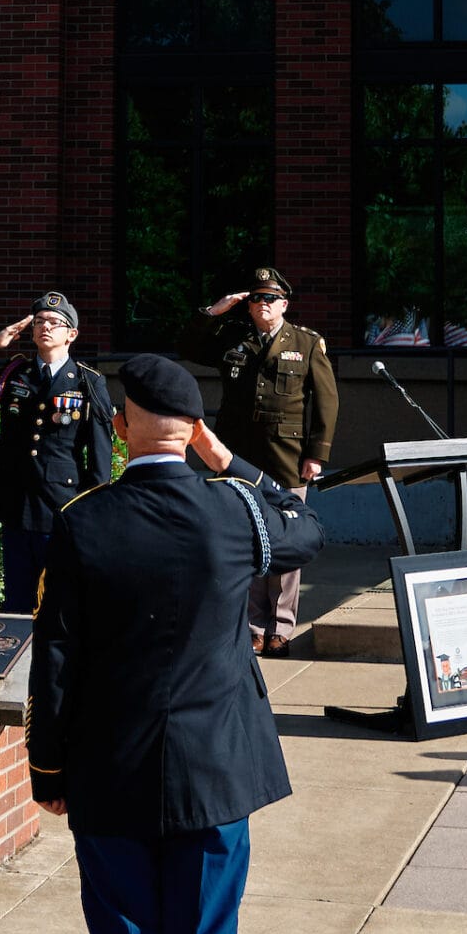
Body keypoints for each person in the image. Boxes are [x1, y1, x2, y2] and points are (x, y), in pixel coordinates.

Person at [27, 351, 323, 934]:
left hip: (111, 776)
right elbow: (310, 527)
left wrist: (48, 768)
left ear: (120, 426)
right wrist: (233, 461)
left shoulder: (82, 521)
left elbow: (55, 657)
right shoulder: (232, 510)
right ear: (193, 433)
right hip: (214, 780)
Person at [183, 265, 338, 657]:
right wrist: (214, 312)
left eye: (270, 298)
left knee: (287, 539)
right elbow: (187, 348)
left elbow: (326, 401)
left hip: (287, 456)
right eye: (256, 298)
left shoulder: (305, 343)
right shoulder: (233, 339)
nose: (262, 304)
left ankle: (281, 626)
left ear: (284, 304)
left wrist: (316, 454)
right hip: (240, 455)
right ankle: (253, 625)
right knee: (246, 535)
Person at [0, 290, 114, 612]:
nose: (45, 327)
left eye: (55, 323)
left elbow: (99, 453)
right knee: (17, 599)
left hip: (60, 505)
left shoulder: (87, 382)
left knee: (58, 601)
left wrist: (91, 509)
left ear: (71, 334)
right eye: (40, 321)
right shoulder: (15, 374)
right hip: (16, 501)